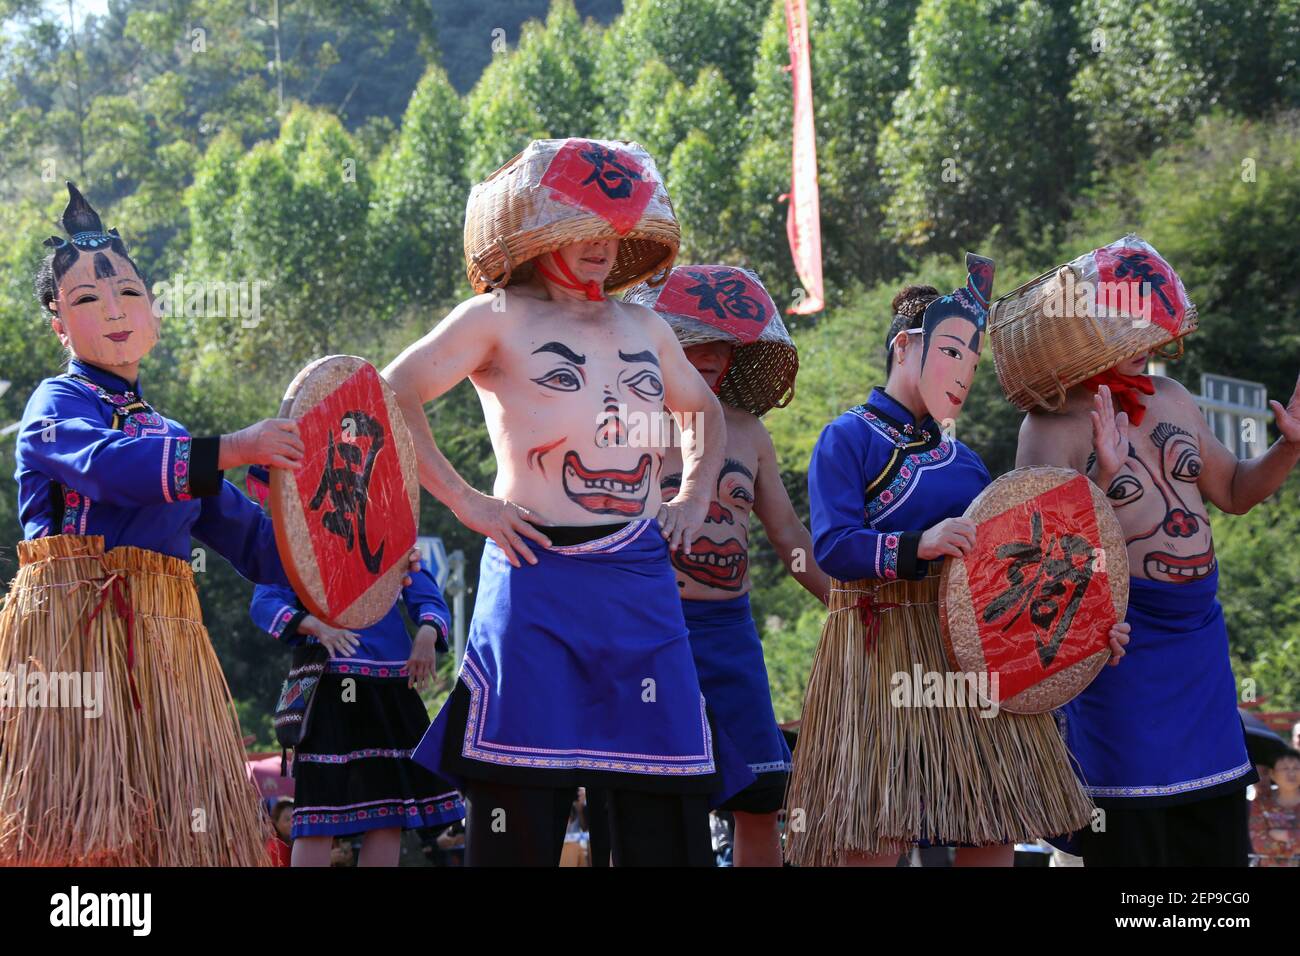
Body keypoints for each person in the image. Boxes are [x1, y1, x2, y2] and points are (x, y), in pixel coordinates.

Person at [385, 138, 749, 866]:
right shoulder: (495, 317)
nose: (599, 247)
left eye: (610, 230)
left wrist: (693, 491)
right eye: (578, 226)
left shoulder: (645, 325)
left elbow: (703, 410)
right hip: (534, 573)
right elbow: (390, 391)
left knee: (664, 801)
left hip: (640, 578)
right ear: (534, 231)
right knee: (519, 797)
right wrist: (467, 502)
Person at [785, 257, 1129, 868]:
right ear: (904, 346)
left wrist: (1088, 625)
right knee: (876, 827)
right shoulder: (849, 437)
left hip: (972, 658)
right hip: (879, 655)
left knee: (988, 825)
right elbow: (833, 548)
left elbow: (1019, 561)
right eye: (951, 351)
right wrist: (918, 544)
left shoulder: (967, 462)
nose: (963, 374)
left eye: (973, 362)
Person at [0, 183, 306, 866]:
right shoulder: (55, 404)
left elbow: (255, 540)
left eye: (129, 294)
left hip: (169, 657)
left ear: (155, 310)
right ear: (58, 322)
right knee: (76, 838)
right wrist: (233, 448)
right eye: (85, 299)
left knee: (175, 839)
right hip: (74, 650)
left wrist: (341, 556)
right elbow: (111, 467)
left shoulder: (169, 432)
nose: (113, 310)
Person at [1015, 244, 1300, 866]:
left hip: (1200, 647)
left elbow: (1234, 491)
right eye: (1126, 324)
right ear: (1087, 328)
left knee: (1213, 848)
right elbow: (1042, 570)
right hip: (1121, 649)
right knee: (1136, 846)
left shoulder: (1172, 397)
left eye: (1149, 323)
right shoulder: (1050, 428)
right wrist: (1106, 479)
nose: (1145, 337)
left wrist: (1288, 446)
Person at [625, 264, 829, 866]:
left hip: (732, 631)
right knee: (660, 792)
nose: (710, 355)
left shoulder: (749, 433)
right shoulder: (628, 425)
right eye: (695, 338)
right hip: (654, 629)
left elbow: (788, 536)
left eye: (722, 342)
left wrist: (843, 599)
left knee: (761, 794)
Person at [249, 561, 465, 867]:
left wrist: (427, 634)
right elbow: (265, 602)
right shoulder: (299, 533)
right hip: (327, 682)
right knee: (317, 815)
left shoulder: (391, 536)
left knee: (388, 814)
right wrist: (315, 626)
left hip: (391, 684)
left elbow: (428, 596)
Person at [1249, 750, 1300, 866]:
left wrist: (1283, 835)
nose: (1291, 773)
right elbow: (1259, 845)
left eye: (1296, 768)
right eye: (1285, 768)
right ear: (1273, 774)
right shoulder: (1261, 803)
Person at [267, 799, 295, 867]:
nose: (292, 823)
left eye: (294, 818)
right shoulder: (274, 848)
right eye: (287, 819)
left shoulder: (301, 844)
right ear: (276, 823)